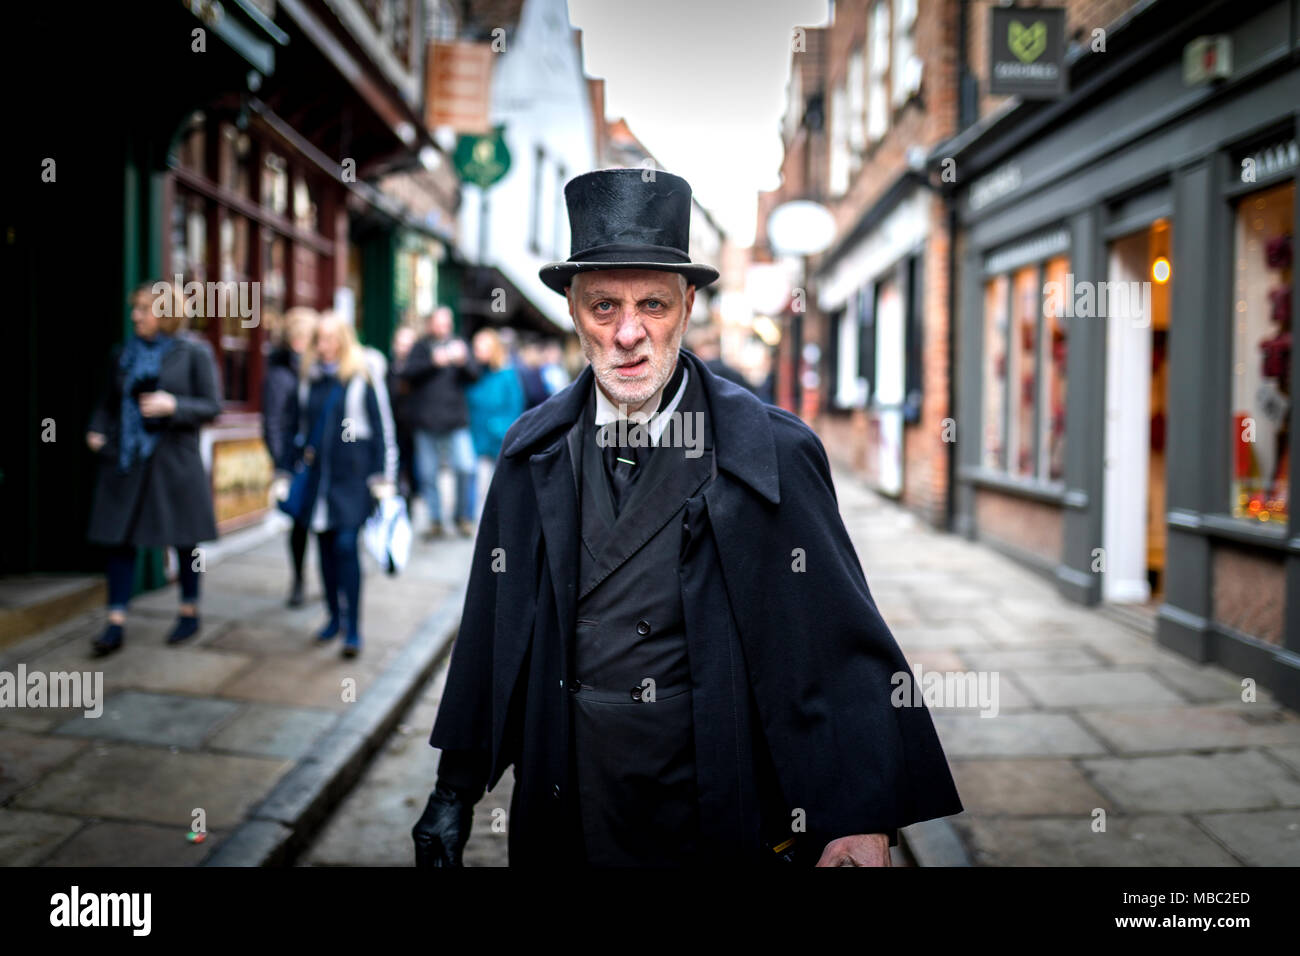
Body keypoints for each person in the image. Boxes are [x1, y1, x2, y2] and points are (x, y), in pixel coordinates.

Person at [413, 169, 962, 868]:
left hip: (713, 809)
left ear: (689, 304)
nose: (629, 334)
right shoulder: (531, 453)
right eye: (604, 307)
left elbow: (832, 641)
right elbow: (496, 626)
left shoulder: (773, 452)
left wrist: (858, 815)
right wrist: (454, 786)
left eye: (652, 304)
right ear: (573, 311)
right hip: (568, 804)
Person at [85, 280, 222, 656]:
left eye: (144, 309)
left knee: (184, 540)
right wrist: (96, 430)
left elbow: (212, 406)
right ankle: (115, 621)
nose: (136, 316)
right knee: (120, 539)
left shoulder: (194, 353)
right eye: (136, 309)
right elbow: (108, 403)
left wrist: (173, 405)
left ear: (166, 314)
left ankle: (189, 610)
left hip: (174, 460)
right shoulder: (123, 354)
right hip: (127, 459)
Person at [276, 313, 391, 658]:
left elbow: (379, 432)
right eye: (319, 338)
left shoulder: (359, 378)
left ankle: (353, 627)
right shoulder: (308, 380)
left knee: (345, 546)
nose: (324, 345)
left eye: (330, 337)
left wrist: (381, 479)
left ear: (343, 339)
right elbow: (295, 427)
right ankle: (333, 617)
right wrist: (284, 471)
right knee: (324, 548)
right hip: (317, 480)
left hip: (352, 480)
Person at [400, 306, 481, 539]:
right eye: (439, 322)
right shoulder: (421, 347)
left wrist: (463, 360)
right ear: (430, 324)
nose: (443, 327)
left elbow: (474, 375)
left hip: (455, 421)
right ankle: (435, 520)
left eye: (447, 322)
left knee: (466, 467)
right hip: (426, 422)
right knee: (428, 473)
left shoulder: (459, 344)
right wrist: (433, 362)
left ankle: (462, 517)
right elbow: (407, 373)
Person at [262, 306, 317, 607]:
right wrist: (281, 461)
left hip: (319, 459)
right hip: (294, 461)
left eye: (307, 337)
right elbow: (272, 420)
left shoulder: (318, 370)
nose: (302, 342)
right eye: (297, 336)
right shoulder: (280, 374)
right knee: (298, 523)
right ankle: (298, 579)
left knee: (322, 524)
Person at [466, 328, 527, 466]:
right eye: (476, 348)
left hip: (499, 441)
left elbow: (516, 406)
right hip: (476, 440)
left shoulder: (506, 374)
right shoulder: (473, 374)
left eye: (482, 348)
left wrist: (500, 428)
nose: (478, 352)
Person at [387, 324, 419, 513]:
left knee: (414, 469)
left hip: (414, 427)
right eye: (401, 344)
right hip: (395, 426)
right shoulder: (389, 370)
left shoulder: (419, 371)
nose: (404, 349)